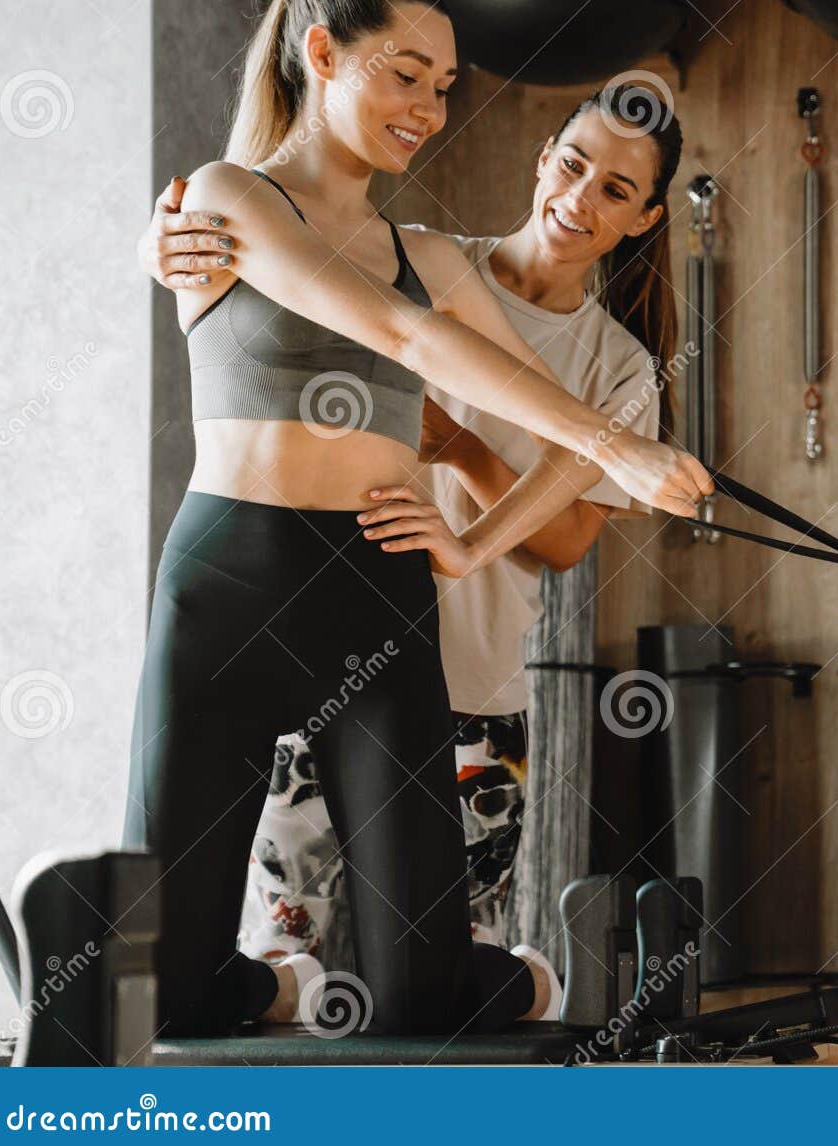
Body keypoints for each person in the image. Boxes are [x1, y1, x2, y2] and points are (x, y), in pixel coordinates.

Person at [123, 0, 710, 1037]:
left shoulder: (429, 256)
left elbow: (568, 427)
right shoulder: (222, 198)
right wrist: (618, 446)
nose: (428, 108)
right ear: (321, 53)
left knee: (415, 1000)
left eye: (443, 87)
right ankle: (287, 984)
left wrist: (478, 536)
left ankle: (542, 972)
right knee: (157, 990)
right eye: (405, 74)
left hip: (372, 595)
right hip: (225, 589)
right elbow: (406, 334)